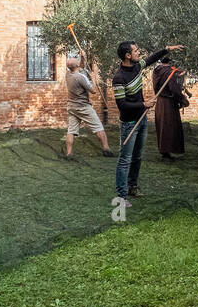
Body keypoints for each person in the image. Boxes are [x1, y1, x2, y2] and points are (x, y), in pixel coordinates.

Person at [112, 40, 184, 204]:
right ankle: (122, 197)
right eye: (136, 51)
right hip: (129, 124)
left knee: (137, 157)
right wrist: (143, 104)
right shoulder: (119, 78)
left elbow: (151, 59)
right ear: (128, 55)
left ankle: (133, 187)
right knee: (125, 160)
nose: (139, 53)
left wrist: (166, 49)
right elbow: (122, 105)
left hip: (142, 120)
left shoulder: (137, 67)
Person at [63, 55, 111, 158]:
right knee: (98, 127)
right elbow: (93, 91)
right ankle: (106, 149)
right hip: (83, 107)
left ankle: (69, 153)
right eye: (77, 61)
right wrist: (93, 79)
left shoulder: (68, 74)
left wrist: (82, 57)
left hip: (72, 107)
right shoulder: (80, 77)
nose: (78, 61)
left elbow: (80, 67)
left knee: (71, 131)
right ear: (76, 65)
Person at [152, 59, 188, 161]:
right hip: (168, 103)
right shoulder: (171, 72)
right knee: (169, 127)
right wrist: (181, 99)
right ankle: (166, 153)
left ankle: (165, 152)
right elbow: (174, 89)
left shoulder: (156, 71)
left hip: (160, 101)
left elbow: (156, 87)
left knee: (163, 126)